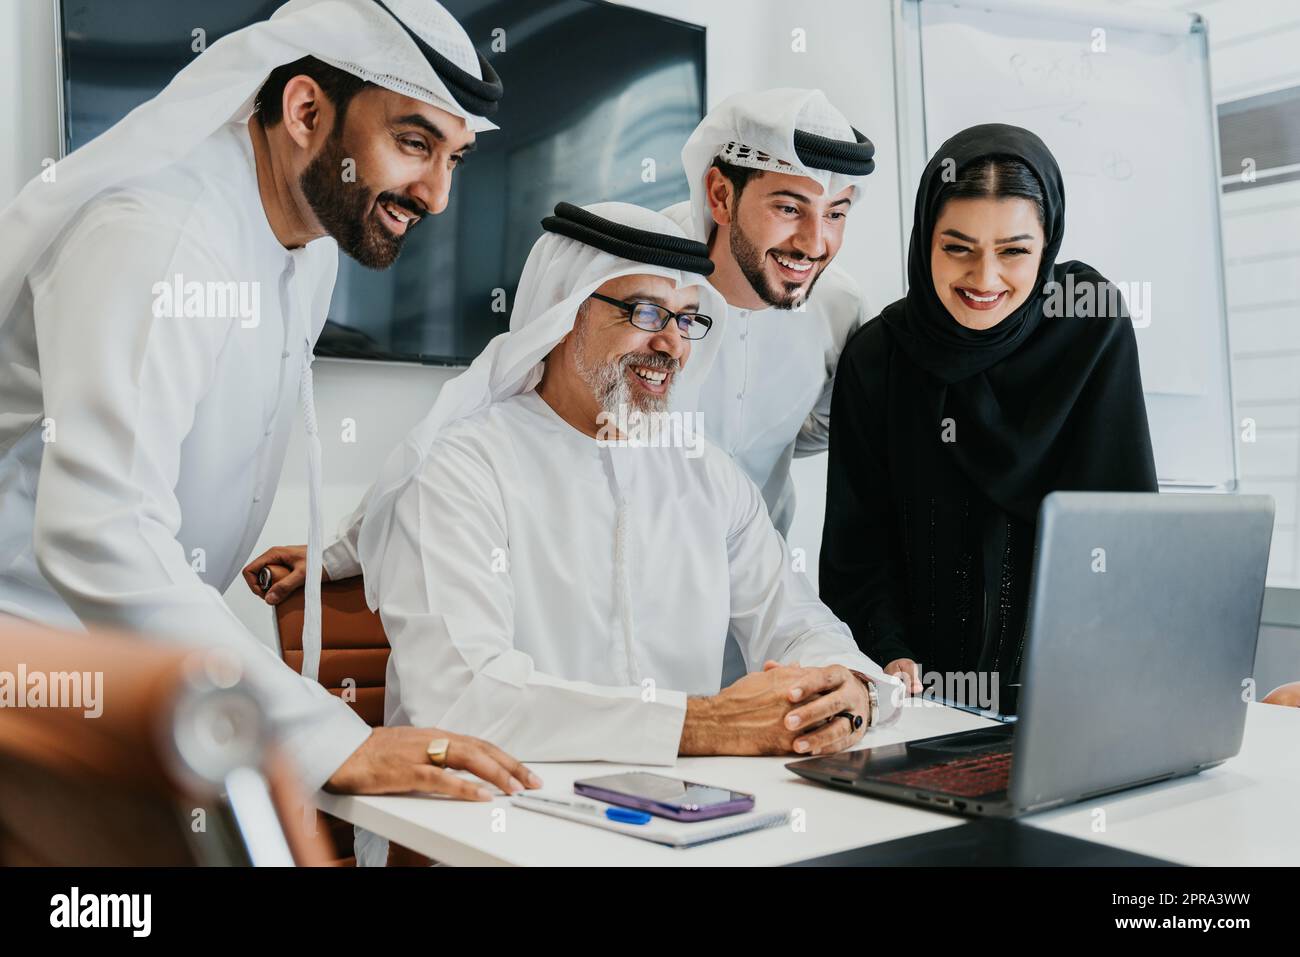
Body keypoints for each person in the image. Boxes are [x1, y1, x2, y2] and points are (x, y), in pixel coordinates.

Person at [0, 0, 538, 801]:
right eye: (414, 143)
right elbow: (100, 529)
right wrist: (326, 740)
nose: (436, 196)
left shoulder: (305, 239)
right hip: (38, 689)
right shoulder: (161, 239)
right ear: (306, 110)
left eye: (454, 158)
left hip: (138, 685)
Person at [354, 201, 903, 768]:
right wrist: (711, 724)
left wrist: (851, 686)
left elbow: (795, 624)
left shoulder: (706, 475)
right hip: (503, 820)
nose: (673, 344)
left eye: (688, 319)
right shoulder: (464, 469)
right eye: (646, 313)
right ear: (565, 313)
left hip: (687, 815)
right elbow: (464, 701)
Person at [820, 124, 1158, 713]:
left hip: (1073, 692)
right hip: (918, 701)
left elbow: (1123, 525)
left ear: (1047, 245)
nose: (984, 279)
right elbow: (857, 550)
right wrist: (887, 650)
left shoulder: (1088, 328)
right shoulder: (879, 358)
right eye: (957, 247)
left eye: (1014, 251)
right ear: (925, 239)